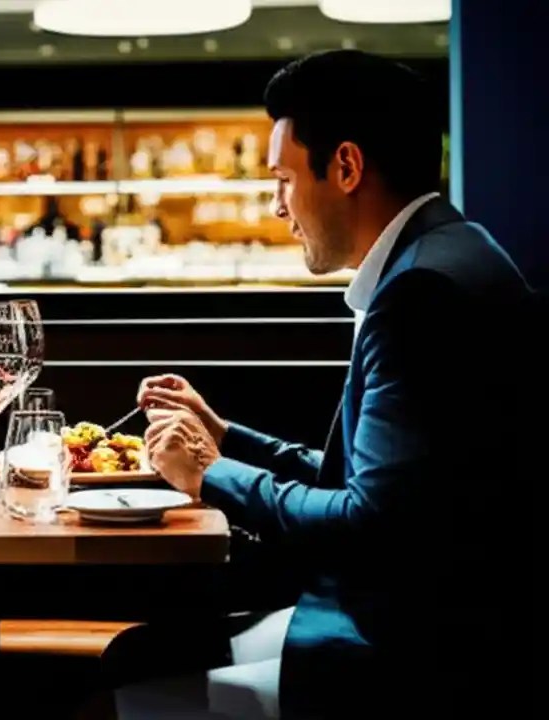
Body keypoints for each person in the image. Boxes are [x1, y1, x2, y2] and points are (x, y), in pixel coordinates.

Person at [116, 50, 536, 719]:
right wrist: (224, 437)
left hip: (410, 659)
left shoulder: (420, 295)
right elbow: (379, 487)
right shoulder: (453, 250)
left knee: (123, 685)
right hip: (433, 623)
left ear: (345, 167)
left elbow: (370, 525)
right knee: (138, 653)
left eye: (283, 179)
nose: (277, 206)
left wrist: (211, 474)